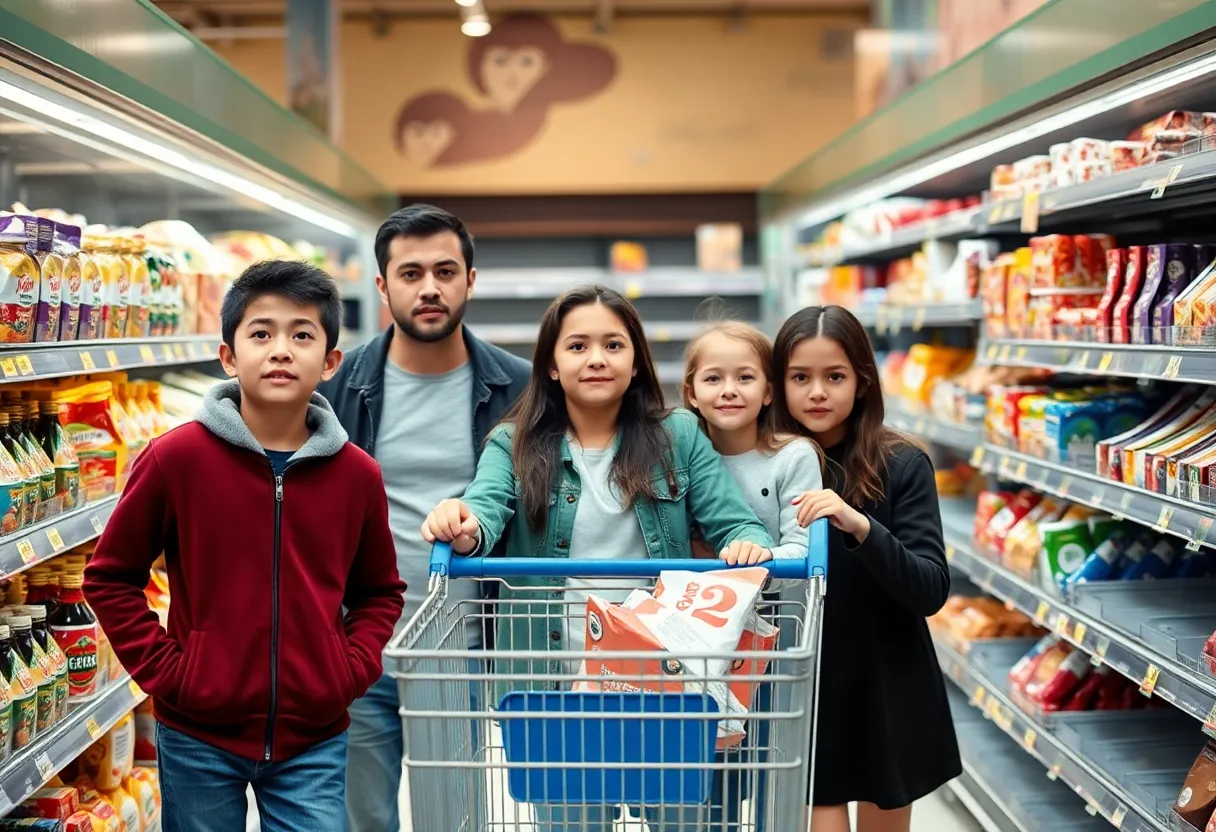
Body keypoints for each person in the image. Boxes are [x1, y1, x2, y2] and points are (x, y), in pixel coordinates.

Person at [422, 284, 775, 832]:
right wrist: (462, 525)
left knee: (681, 821)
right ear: (553, 365)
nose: (596, 359)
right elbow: (483, 511)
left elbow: (736, 522)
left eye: (613, 344)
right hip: (556, 685)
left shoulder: (677, 435)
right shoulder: (512, 445)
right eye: (578, 345)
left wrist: (744, 542)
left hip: (666, 682)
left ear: (636, 362)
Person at [83, 261, 407, 832]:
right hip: (198, 735)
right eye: (261, 333)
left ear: (330, 362)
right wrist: (171, 674)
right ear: (229, 356)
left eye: (302, 335)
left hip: (314, 736)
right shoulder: (175, 460)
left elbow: (379, 590)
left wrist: (347, 671)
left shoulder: (357, 475)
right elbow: (110, 577)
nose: (280, 349)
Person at [317, 203, 529, 832]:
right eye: (410, 273)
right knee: (361, 821)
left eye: (444, 270)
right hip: (355, 646)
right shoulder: (338, 385)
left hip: (459, 648)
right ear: (382, 286)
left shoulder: (519, 389)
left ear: (470, 278)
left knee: (455, 819)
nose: (429, 287)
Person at [771, 305, 960, 832]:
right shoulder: (768, 464)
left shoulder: (902, 463)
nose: (817, 392)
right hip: (805, 686)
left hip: (888, 684)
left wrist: (861, 526)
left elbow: (929, 589)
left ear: (862, 381)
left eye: (835, 376)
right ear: (777, 384)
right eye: (799, 377)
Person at [682, 320, 825, 831]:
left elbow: (802, 554)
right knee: (703, 791)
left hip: (773, 655)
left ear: (769, 390)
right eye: (713, 378)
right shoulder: (675, 453)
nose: (728, 390)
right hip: (697, 652)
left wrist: (752, 558)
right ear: (691, 392)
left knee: (767, 783)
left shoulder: (792, 456)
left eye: (745, 377)